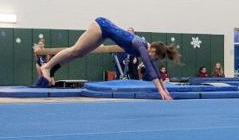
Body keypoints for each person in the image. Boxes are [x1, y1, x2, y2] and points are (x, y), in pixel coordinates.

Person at [39, 18, 179, 100]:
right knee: (76, 49)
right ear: (153, 50)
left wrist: (164, 89)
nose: (153, 60)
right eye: (155, 57)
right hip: (102, 26)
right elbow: (149, 67)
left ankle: (51, 70)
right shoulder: (141, 45)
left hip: (104, 33)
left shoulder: (145, 46)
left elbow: (153, 68)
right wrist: (160, 91)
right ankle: (47, 66)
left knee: (79, 54)